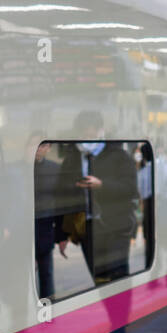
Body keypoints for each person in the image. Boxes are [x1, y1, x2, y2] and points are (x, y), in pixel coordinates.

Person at [56, 113, 137, 284]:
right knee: (99, 278)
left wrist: (102, 185)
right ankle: (108, 309)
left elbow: (131, 189)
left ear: (101, 131)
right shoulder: (72, 159)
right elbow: (62, 195)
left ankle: (121, 311)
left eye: (90, 135)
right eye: (83, 135)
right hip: (87, 228)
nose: (86, 139)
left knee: (118, 277)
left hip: (116, 226)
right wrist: (62, 235)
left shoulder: (119, 156)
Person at [32, 136, 64, 302]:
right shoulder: (20, 168)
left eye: (43, 145)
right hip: (24, 227)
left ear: (49, 148)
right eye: (36, 144)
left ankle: (48, 311)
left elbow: (61, 202)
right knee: (25, 275)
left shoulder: (55, 169)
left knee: (46, 272)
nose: (39, 148)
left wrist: (62, 235)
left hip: (45, 226)